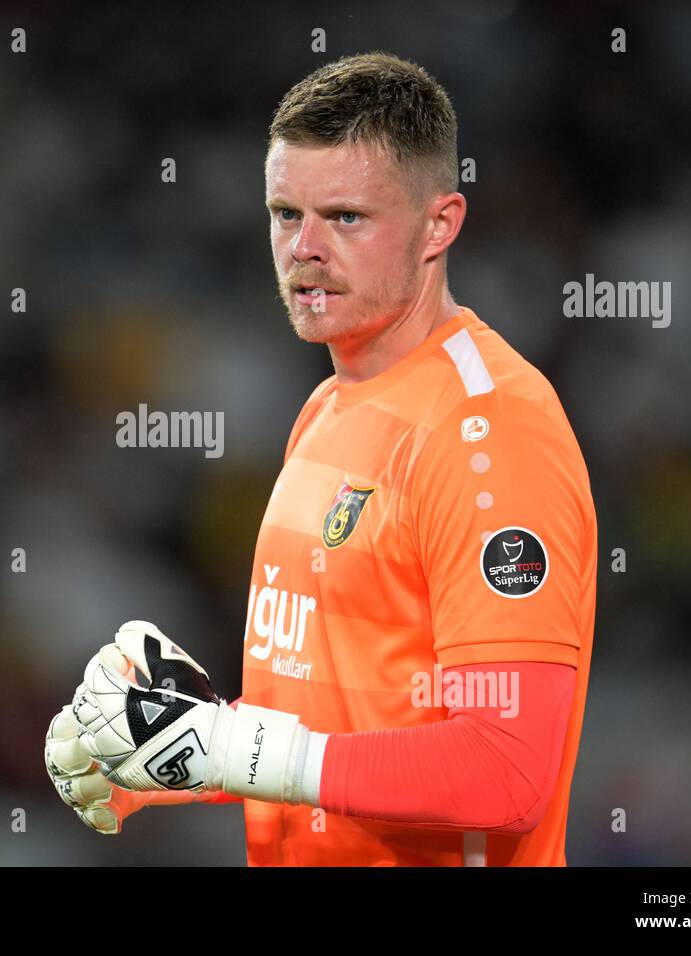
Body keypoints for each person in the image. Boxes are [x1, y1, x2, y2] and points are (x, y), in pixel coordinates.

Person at [46, 51, 597, 866]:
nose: (303, 248)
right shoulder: (326, 409)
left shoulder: (491, 432)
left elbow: (509, 771)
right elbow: (329, 741)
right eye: (284, 213)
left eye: (345, 217)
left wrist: (238, 749)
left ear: (439, 225)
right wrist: (169, 752)